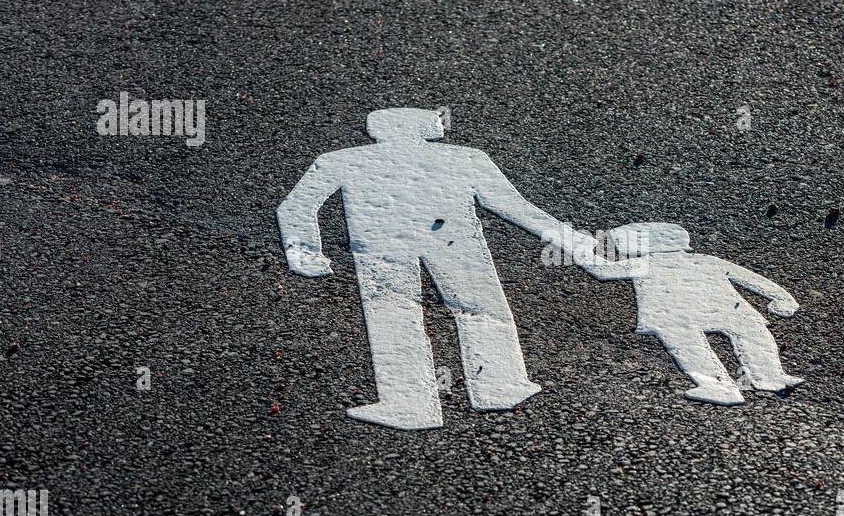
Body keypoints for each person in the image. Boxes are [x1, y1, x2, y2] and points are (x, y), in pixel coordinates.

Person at [277, 108, 593, 430]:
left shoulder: (341, 160)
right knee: (480, 309)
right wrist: (571, 239)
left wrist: (304, 253)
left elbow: (296, 207)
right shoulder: (466, 157)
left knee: (393, 316)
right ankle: (500, 386)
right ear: (431, 128)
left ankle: (409, 403)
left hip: (384, 248)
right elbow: (514, 206)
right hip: (454, 244)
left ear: (377, 130)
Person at [578, 222, 801, 404]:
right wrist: (781, 298)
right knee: (752, 334)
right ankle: (769, 376)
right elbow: (750, 279)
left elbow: (603, 270)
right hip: (727, 309)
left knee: (690, 348)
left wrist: (582, 250)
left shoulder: (643, 263)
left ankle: (718, 386)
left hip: (673, 315)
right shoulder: (705, 260)